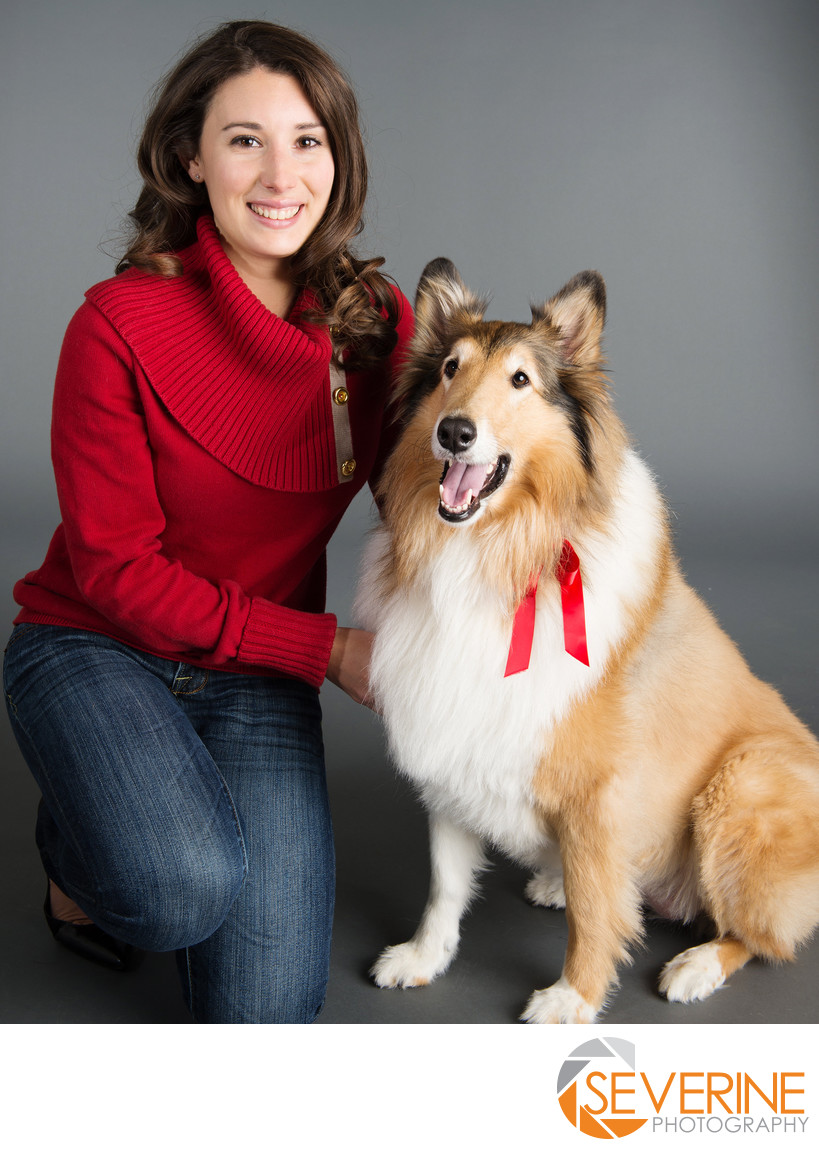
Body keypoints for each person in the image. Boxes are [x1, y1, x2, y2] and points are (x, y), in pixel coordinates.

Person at [2, 19, 413, 1024]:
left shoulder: (375, 321)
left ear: (338, 157)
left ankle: (136, 801)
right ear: (191, 158)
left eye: (307, 140)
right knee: (176, 889)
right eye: (244, 140)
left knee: (266, 1021)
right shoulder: (117, 325)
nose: (280, 175)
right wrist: (329, 650)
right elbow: (119, 574)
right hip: (96, 645)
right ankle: (75, 848)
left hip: (254, 678)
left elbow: (421, 501)